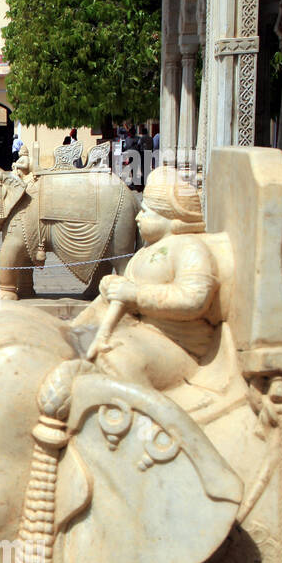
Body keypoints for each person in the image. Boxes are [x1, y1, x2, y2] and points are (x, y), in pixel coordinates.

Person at [75, 166, 218, 394]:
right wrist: (110, 288)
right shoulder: (145, 251)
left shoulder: (189, 247)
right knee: (76, 341)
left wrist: (135, 294)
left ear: (170, 218)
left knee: (116, 361)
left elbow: (195, 298)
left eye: (146, 211)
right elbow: (126, 291)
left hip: (175, 343)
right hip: (137, 330)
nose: (137, 217)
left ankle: (143, 421)